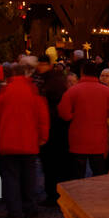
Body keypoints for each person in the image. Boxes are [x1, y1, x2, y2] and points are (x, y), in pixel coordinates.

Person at [0, 64, 49, 218]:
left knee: (11, 178)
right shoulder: (32, 91)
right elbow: (42, 116)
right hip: (29, 141)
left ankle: (15, 212)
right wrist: (43, 136)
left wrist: (0, 131)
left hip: (8, 141)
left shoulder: (4, 92)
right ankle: (29, 208)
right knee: (29, 177)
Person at [58, 59, 109, 177]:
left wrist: (74, 116)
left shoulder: (73, 91)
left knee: (78, 173)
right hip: (98, 137)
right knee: (98, 171)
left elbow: (64, 113)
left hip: (78, 137)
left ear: (82, 73)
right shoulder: (107, 92)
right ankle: (99, 194)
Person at [34, 53, 72, 205]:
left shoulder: (51, 82)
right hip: (56, 127)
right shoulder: (52, 79)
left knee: (52, 164)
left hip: (54, 127)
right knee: (54, 163)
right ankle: (55, 192)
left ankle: (54, 193)